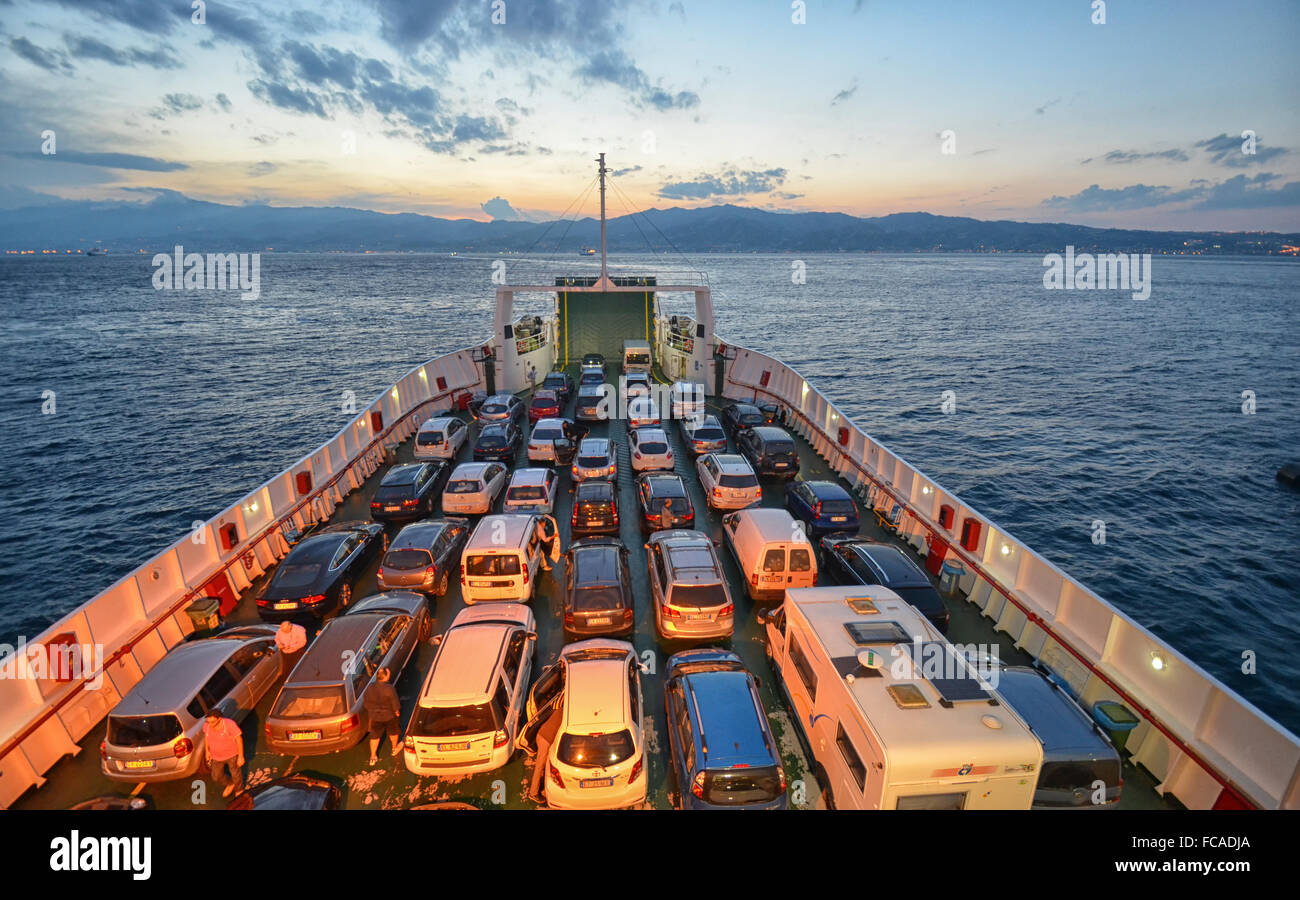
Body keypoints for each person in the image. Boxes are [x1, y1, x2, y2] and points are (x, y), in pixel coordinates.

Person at [364, 667, 402, 765]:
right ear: (385, 676)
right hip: (389, 716)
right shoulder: (389, 688)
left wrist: (372, 711)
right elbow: (395, 703)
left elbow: (366, 703)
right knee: (393, 733)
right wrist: (397, 712)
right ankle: (394, 749)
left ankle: (373, 756)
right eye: (388, 673)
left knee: (375, 736)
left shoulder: (370, 687)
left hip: (375, 716)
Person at [203, 710, 245, 799]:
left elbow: (239, 739)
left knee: (235, 774)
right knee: (216, 777)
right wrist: (207, 751)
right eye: (208, 721)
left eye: (212, 722)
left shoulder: (229, 724)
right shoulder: (207, 725)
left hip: (232, 755)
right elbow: (206, 737)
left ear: (220, 719)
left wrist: (241, 756)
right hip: (216, 756)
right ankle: (230, 783)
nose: (209, 724)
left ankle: (239, 790)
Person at [527, 701, 563, 804]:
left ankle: (541, 788)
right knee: (540, 766)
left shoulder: (560, 709)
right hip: (546, 741)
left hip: (541, 735)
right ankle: (533, 793)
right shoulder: (566, 717)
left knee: (543, 765)